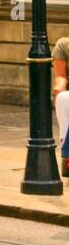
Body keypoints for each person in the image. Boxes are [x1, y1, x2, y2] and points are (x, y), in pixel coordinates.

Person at [54, 35, 69, 179]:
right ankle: (67, 155)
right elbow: (60, 75)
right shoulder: (64, 44)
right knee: (62, 98)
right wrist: (60, 85)